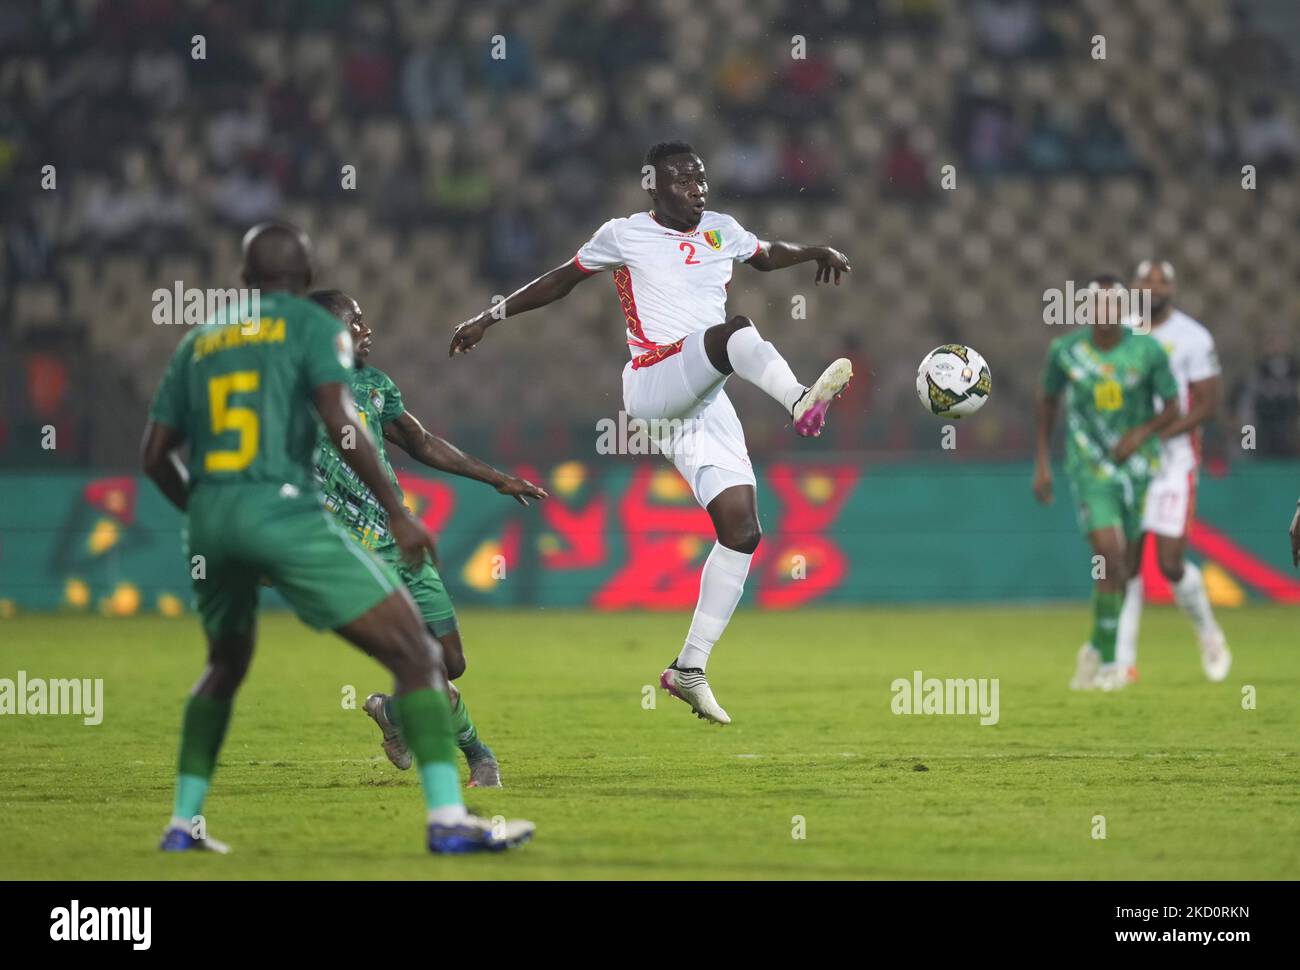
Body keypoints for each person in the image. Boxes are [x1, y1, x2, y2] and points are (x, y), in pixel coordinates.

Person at [140, 222, 532, 854]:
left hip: (214, 518)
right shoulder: (310, 333)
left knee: (222, 667)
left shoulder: (200, 343)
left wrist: (207, 515)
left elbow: (155, 455)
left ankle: (184, 824)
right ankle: (448, 821)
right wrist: (396, 510)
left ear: (243, 282)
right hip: (291, 518)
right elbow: (340, 422)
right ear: (305, 279)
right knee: (416, 656)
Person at [447, 141, 853, 725]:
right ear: (653, 186)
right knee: (733, 331)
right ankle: (797, 401)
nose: (698, 189)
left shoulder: (721, 229)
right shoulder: (624, 234)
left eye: (701, 179)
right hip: (654, 379)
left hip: (704, 399)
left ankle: (689, 668)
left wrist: (814, 249)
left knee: (742, 530)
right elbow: (561, 280)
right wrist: (490, 316)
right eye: (684, 181)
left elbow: (765, 255)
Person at [309, 288, 547, 786]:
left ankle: (393, 713)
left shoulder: (373, 385)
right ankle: (481, 757)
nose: (366, 330)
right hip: (350, 556)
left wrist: (495, 477)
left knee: (451, 663)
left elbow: (419, 442)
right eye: (355, 322)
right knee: (422, 663)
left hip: (402, 544)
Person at [1033, 274, 1180, 691]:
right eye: (1097, 305)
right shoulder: (1066, 352)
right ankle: (1113, 663)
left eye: (1113, 304)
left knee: (1127, 567)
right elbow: (1046, 402)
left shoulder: (1147, 350)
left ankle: (1095, 648)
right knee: (1109, 554)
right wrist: (1043, 462)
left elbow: (1173, 407)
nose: (1105, 312)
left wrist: (1140, 433)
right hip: (1089, 467)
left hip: (1136, 470)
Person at [1115, 259, 1230, 683]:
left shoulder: (1193, 337)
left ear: (1173, 290)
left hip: (1174, 459)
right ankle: (1122, 662)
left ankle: (1208, 632)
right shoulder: (1118, 331)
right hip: (1129, 460)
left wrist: (1152, 435)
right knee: (1125, 560)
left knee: (1169, 563)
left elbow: (1206, 404)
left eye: (1162, 281)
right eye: (1146, 280)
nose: (1153, 287)